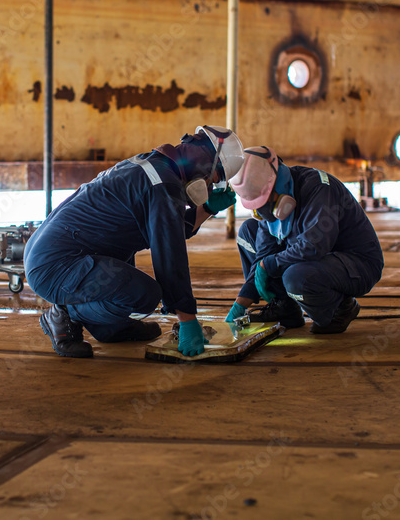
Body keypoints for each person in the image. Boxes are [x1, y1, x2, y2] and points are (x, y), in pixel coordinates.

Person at [24, 126, 244, 358]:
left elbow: (169, 228)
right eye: (215, 178)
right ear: (207, 163)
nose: (209, 185)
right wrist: (187, 319)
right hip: (56, 266)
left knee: (126, 262)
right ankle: (65, 315)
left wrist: (207, 209)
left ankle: (110, 327)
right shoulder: (163, 185)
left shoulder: (154, 167)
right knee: (144, 295)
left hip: (53, 254)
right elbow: (170, 253)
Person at [224, 146, 383, 334]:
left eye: (265, 202)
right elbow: (263, 257)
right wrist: (240, 304)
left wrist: (269, 263)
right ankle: (285, 308)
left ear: (275, 184)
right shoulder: (269, 202)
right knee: (247, 233)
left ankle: (340, 308)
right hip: (317, 261)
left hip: (356, 263)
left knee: (296, 277)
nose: (264, 211)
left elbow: (313, 247)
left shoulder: (318, 188)